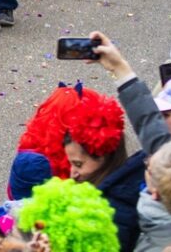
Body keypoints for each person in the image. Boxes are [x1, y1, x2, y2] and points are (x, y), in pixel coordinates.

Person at [87, 32, 171, 157]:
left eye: (165, 115)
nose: (157, 120)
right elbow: (149, 122)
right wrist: (118, 67)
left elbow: (151, 128)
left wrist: (119, 68)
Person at [62, 88, 146, 251]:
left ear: (103, 157)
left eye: (78, 164)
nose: (72, 173)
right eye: (70, 163)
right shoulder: (130, 177)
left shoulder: (111, 214)